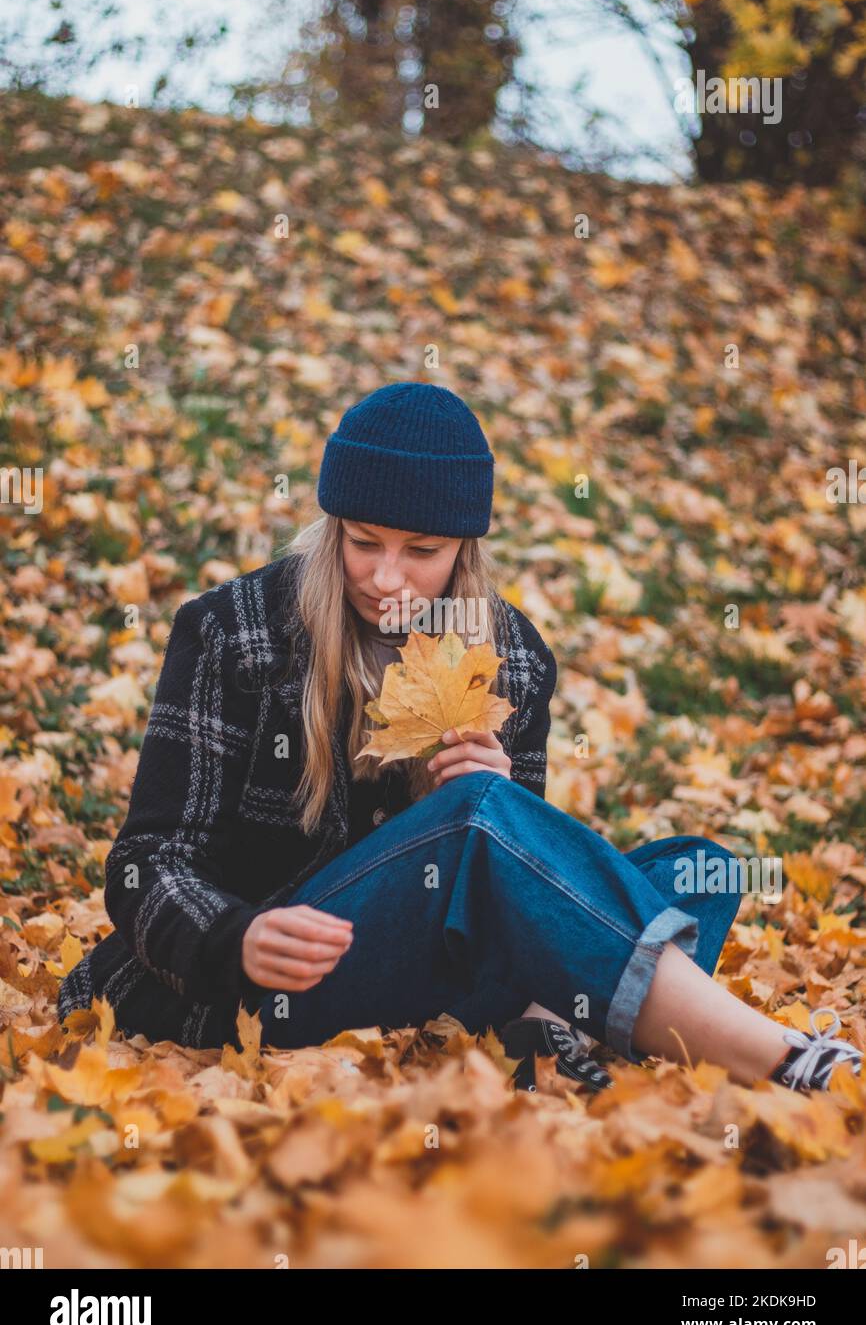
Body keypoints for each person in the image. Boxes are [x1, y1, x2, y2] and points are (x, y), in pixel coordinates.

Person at [57, 381, 862, 1096]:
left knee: (706, 869)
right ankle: (785, 1060)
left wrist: (497, 796)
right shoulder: (234, 634)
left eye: (423, 552)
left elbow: (529, 886)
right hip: (260, 979)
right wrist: (237, 937)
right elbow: (144, 862)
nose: (385, 576)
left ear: (465, 548)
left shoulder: (511, 656)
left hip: (420, 977)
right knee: (487, 820)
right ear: (332, 527)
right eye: (363, 542)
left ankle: (546, 1029)